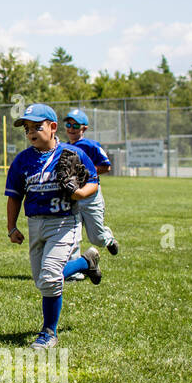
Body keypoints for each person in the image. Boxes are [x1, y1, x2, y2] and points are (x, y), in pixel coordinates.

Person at [4, 103, 102, 350]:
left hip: (64, 222)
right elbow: (15, 195)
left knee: (49, 278)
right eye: (27, 128)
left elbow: (94, 182)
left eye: (37, 127)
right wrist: (11, 227)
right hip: (36, 223)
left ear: (53, 127)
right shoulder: (23, 160)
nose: (31, 133)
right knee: (42, 281)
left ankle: (49, 332)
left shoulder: (71, 154)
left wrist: (79, 193)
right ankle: (86, 262)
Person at [62, 110, 119, 273]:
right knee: (72, 235)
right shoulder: (63, 147)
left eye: (76, 125)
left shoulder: (91, 146)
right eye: (68, 124)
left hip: (90, 195)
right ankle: (76, 270)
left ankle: (107, 237)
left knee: (96, 238)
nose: (71, 128)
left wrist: (87, 170)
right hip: (73, 195)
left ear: (84, 128)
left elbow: (106, 166)